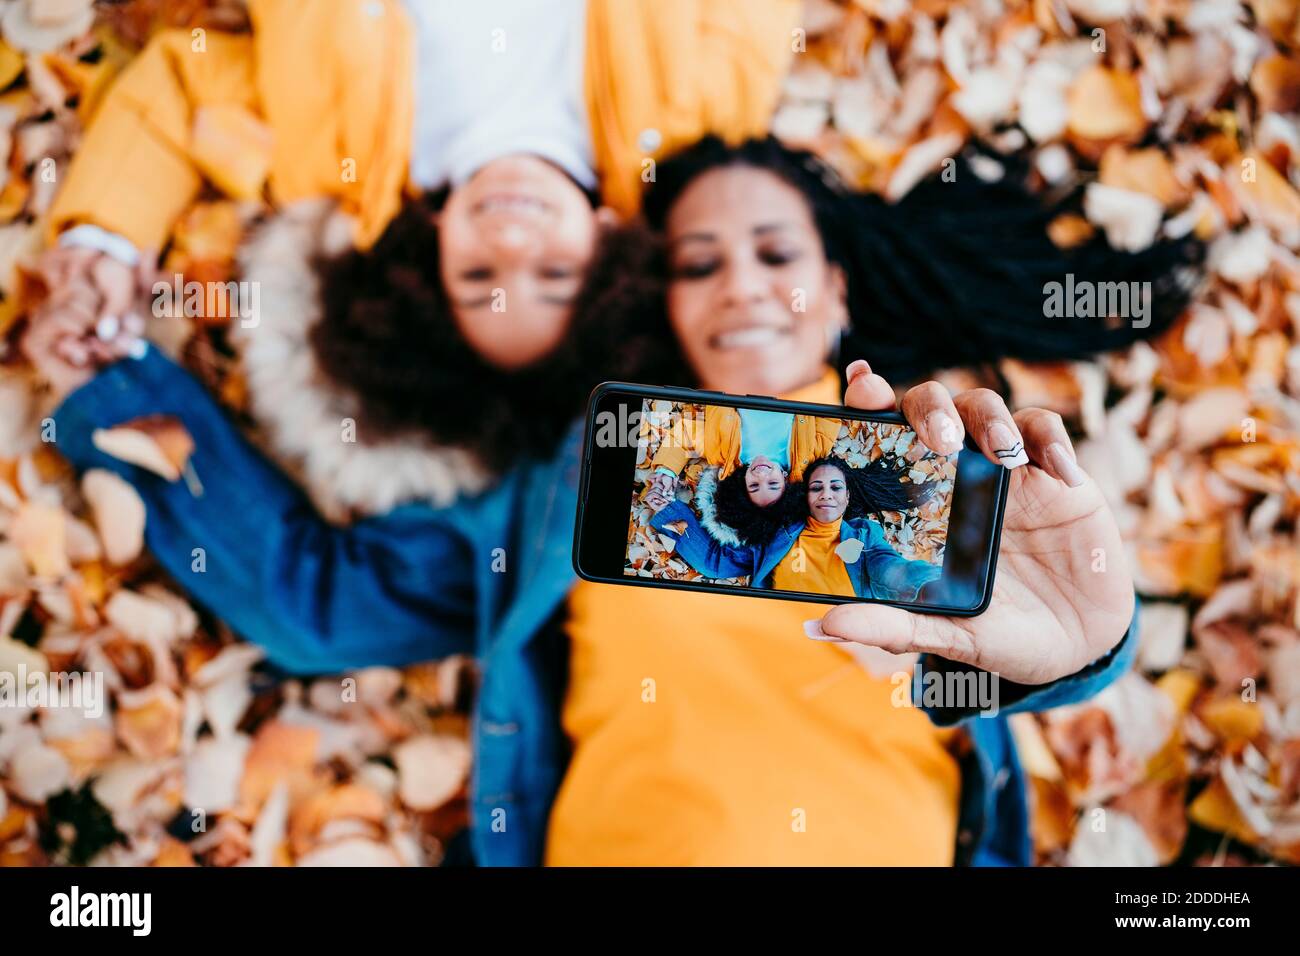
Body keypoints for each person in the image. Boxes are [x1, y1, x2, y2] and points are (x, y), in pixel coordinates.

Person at [28, 130, 1180, 866]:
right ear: (653, 295)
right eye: (695, 260)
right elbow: (321, 602)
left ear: (833, 288)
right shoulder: (583, 478)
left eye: (776, 252)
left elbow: (1021, 647)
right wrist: (113, 383)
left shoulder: (927, 472)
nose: (739, 285)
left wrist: (1089, 647)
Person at [23, 0, 801, 495]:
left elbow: (182, 93)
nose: (510, 236)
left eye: (478, 273)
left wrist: (105, 244)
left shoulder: (322, 152)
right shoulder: (706, 107)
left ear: (431, 246)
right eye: (556, 272)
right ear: (608, 241)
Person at [646, 454, 942, 600]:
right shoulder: (764, 540)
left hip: (855, 578)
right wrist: (669, 513)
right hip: (834, 616)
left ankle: (940, 590)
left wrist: (927, 585)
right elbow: (714, 561)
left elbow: (890, 570)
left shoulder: (861, 535)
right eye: (759, 489)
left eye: (773, 484)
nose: (825, 495)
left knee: (896, 574)